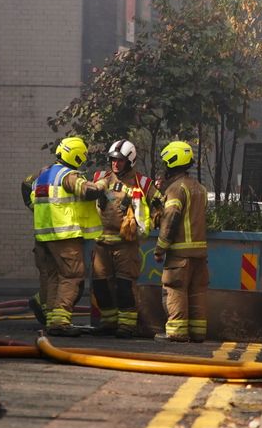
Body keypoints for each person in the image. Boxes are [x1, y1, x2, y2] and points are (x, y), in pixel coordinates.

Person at [22, 136, 106, 337]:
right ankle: (60, 322)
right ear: (77, 156)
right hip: (64, 238)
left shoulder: (42, 176)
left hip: (43, 239)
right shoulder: (68, 176)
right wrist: (102, 184)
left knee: (53, 278)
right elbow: (88, 191)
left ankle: (52, 319)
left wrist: (33, 208)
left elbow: (25, 187)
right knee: (72, 276)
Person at [89, 139, 153, 337]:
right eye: (113, 160)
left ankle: (127, 325)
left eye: (120, 160)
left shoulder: (142, 182)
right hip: (101, 243)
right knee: (100, 286)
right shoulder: (100, 178)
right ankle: (108, 322)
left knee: (125, 286)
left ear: (130, 161)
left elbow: (159, 204)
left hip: (126, 245)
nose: (115, 164)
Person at [153, 140, 208, 343]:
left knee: (175, 290)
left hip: (180, 254)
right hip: (200, 255)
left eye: (166, 163)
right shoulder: (200, 189)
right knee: (197, 292)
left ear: (172, 162)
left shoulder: (176, 189)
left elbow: (171, 219)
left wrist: (160, 248)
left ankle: (176, 332)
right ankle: (198, 332)